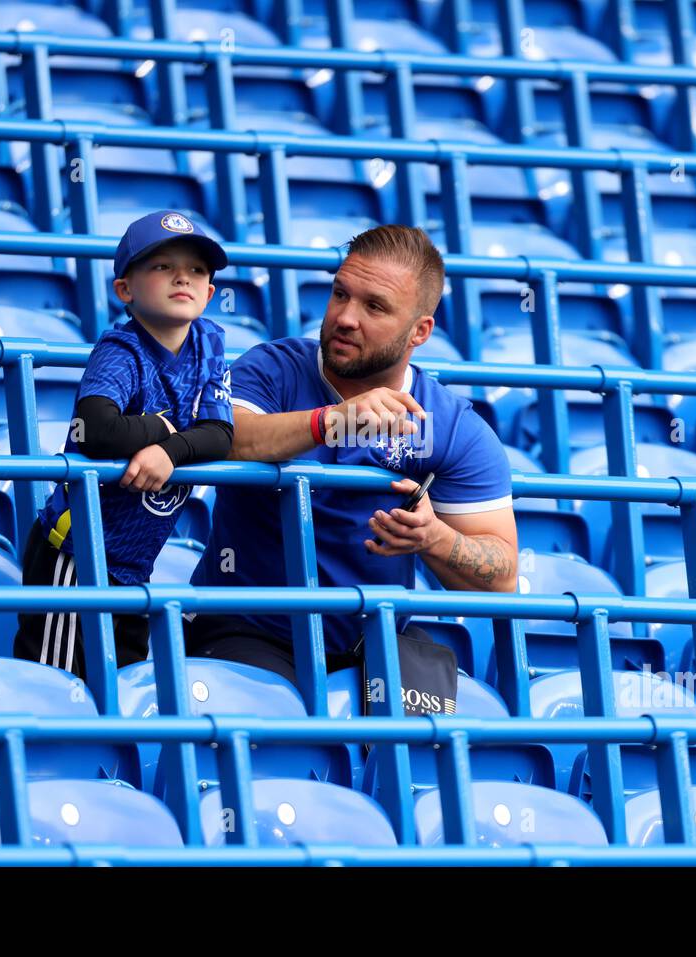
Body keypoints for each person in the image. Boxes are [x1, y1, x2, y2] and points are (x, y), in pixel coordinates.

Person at [187, 224, 518, 682]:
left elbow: (500, 579)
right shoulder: (273, 368)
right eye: (340, 294)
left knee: (437, 739)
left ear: (419, 331)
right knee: (275, 737)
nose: (345, 317)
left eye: (374, 306)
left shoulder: (450, 423)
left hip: (378, 639)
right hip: (247, 629)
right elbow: (229, 438)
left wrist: (434, 538)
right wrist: (332, 420)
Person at [14, 210, 234, 679]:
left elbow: (220, 434)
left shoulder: (209, 341)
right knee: (56, 683)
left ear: (211, 292)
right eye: (161, 266)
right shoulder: (121, 349)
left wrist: (168, 451)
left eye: (197, 270)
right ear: (125, 290)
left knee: (119, 683)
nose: (183, 277)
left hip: (134, 561)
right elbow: (95, 429)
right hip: (76, 554)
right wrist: (162, 428)